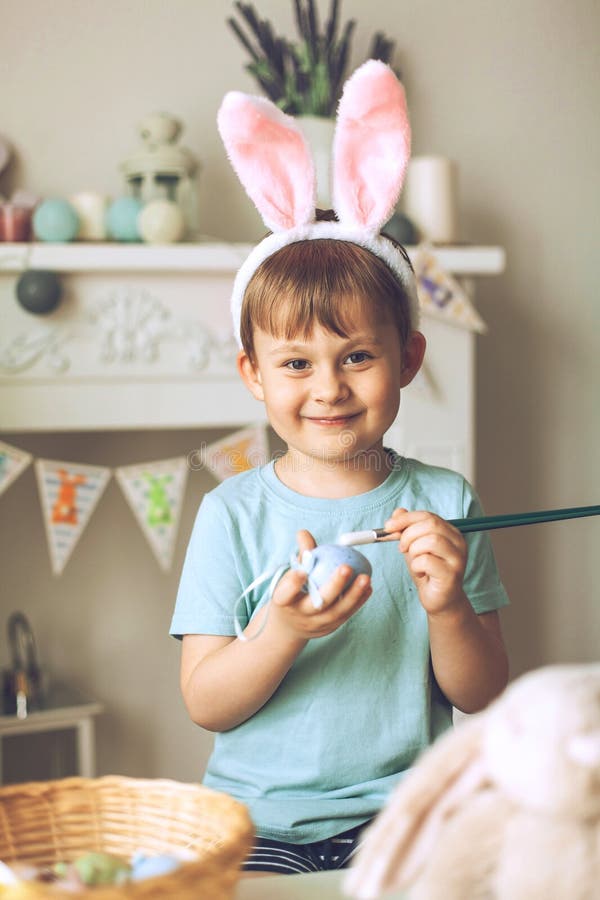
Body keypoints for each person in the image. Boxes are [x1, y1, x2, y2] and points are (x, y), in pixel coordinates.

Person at [170, 60, 509, 876]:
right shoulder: (232, 514)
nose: (328, 389)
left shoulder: (443, 499)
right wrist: (283, 630)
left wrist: (447, 606)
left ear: (408, 359)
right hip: (256, 828)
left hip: (406, 821)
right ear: (254, 374)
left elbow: (483, 695)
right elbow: (206, 702)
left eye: (357, 356)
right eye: (296, 364)